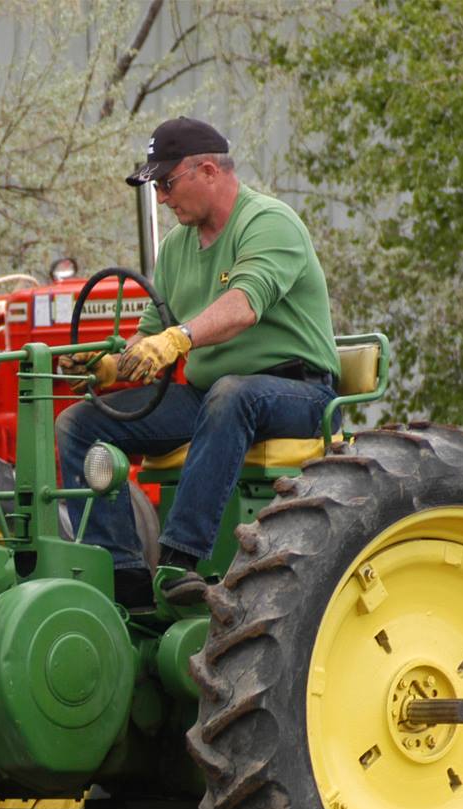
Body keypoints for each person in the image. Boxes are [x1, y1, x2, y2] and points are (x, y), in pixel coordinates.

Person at [57, 116, 337, 611]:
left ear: (208, 170)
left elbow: (245, 304)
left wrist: (178, 339)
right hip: (212, 398)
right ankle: (125, 579)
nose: (162, 198)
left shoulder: (269, 223)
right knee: (78, 424)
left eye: (166, 183)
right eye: (157, 187)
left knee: (233, 392)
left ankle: (180, 558)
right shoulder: (177, 248)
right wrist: (111, 366)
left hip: (296, 393)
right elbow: (150, 331)